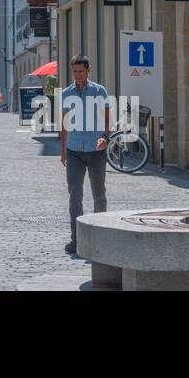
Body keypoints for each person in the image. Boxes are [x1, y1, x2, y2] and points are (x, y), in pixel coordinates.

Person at [59, 55, 111, 255]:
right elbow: (64, 124)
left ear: (88, 71)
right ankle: (76, 239)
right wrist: (63, 150)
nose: (77, 75)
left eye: (81, 71)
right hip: (74, 152)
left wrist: (105, 137)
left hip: (96, 150)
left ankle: (101, 236)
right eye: (75, 71)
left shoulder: (100, 91)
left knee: (99, 194)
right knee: (75, 195)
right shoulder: (66, 94)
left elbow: (107, 119)